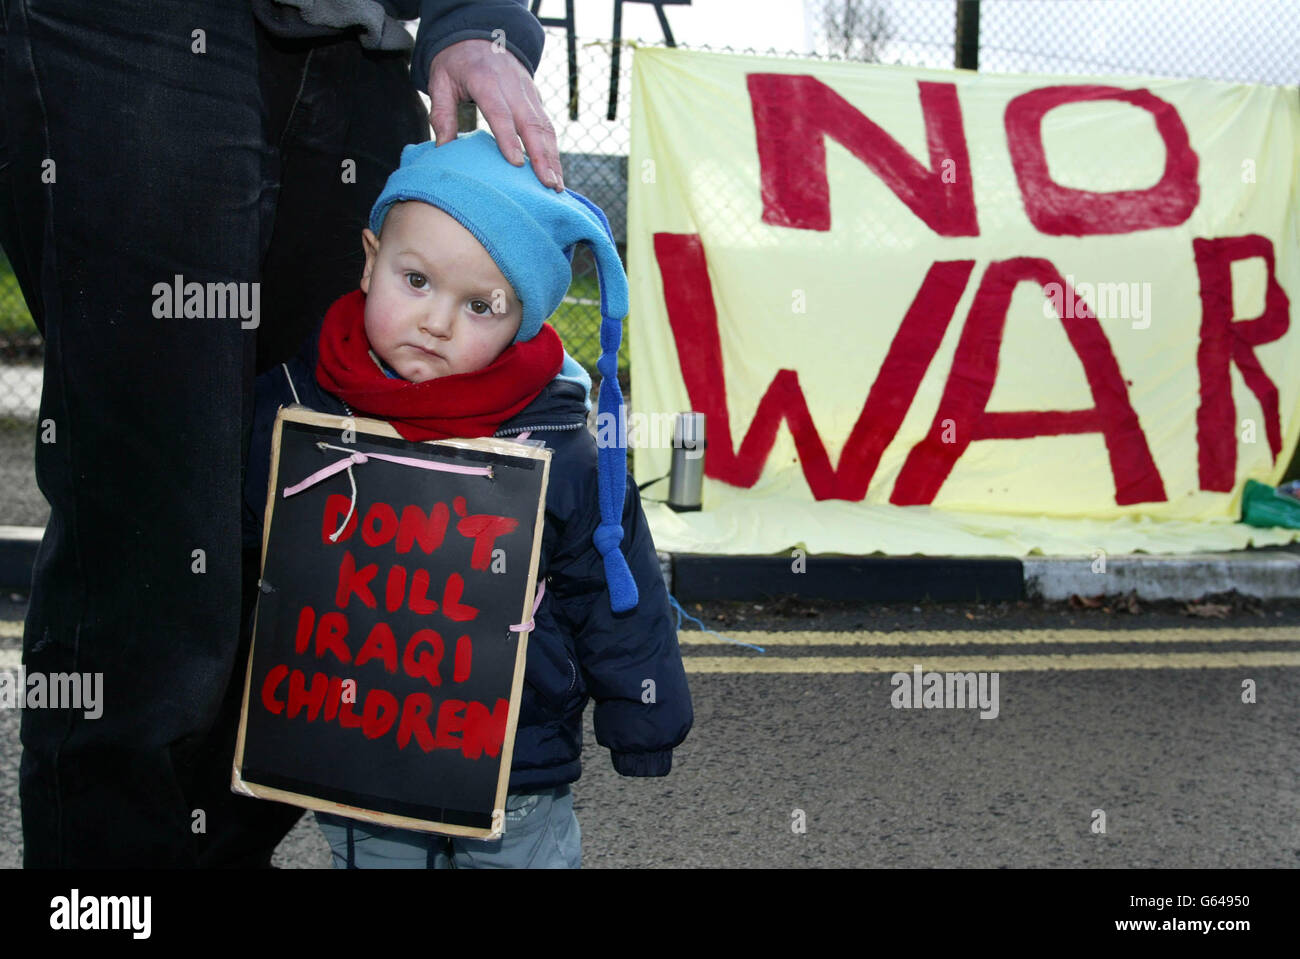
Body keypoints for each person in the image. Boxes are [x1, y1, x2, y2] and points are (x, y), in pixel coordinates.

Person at [2, 0, 565, 867]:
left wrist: (475, 18)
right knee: (157, 539)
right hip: (132, 31)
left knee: (315, 558)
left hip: (363, 41)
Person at [243, 129, 694, 868]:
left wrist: (643, 708)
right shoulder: (298, 410)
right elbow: (227, 535)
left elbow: (612, 582)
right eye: (415, 281)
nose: (437, 320)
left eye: (481, 305)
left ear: (526, 321)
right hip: (359, 761)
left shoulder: (557, 445)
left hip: (515, 772)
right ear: (368, 262)